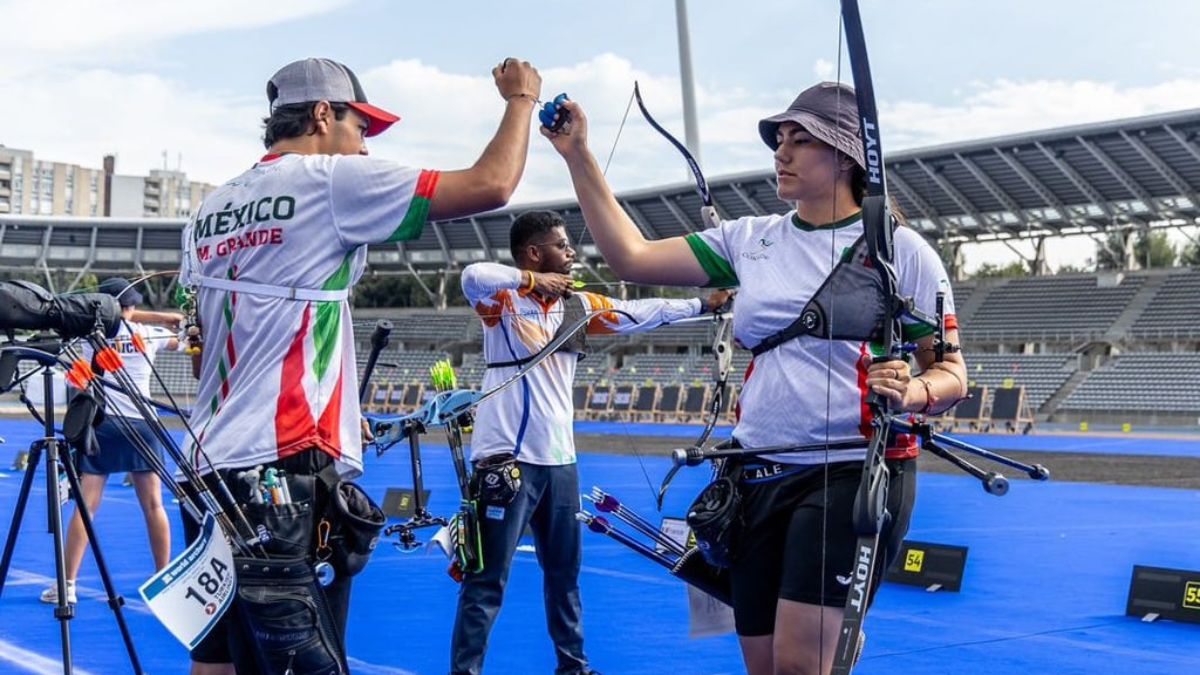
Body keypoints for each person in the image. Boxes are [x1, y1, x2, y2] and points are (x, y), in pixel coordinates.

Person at [541, 83, 968, 675]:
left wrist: (915, 390)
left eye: (801, 140)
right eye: (779, 141)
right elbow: (631, 258)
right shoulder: (750, 239)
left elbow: (951, 372)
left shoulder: (900, 250)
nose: (781, 153)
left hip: (851, 472)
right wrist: (578, 155)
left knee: (798, 666)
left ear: (846, 155)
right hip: (755, 475)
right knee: (764, 665)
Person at [178, 56, 544, 675]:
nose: (366, 146)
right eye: (360, 127)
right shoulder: (326, 180)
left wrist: (343, 408)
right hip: (287, 464)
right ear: (323, 115)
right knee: (308, 658)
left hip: (209, 463)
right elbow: (492, 185)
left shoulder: (210, 209)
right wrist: (520, 101)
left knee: (219, 660)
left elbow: (227, 335)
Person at [452, 209, 732, 675]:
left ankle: (573, 666)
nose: (571, 253)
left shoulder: (578, 307)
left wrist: (704, 304)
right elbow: (471, 274)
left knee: (564, 576)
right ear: (535, 253)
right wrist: (530, 281)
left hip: (560, 462)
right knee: (487, 580)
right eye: (562, 246)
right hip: (506, 461)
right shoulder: (500, 299)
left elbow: (643, 313)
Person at [40, 277, 183, 605]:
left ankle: (69, 585)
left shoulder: (92, 335)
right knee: (153, 504)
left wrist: (144, 316)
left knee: (87, 506)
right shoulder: (149, 334)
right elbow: (179, 335)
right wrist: (167, 318)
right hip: (143, 423)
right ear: (130, 307)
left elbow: (117, 315)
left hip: (105, 424)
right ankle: (164, 579)